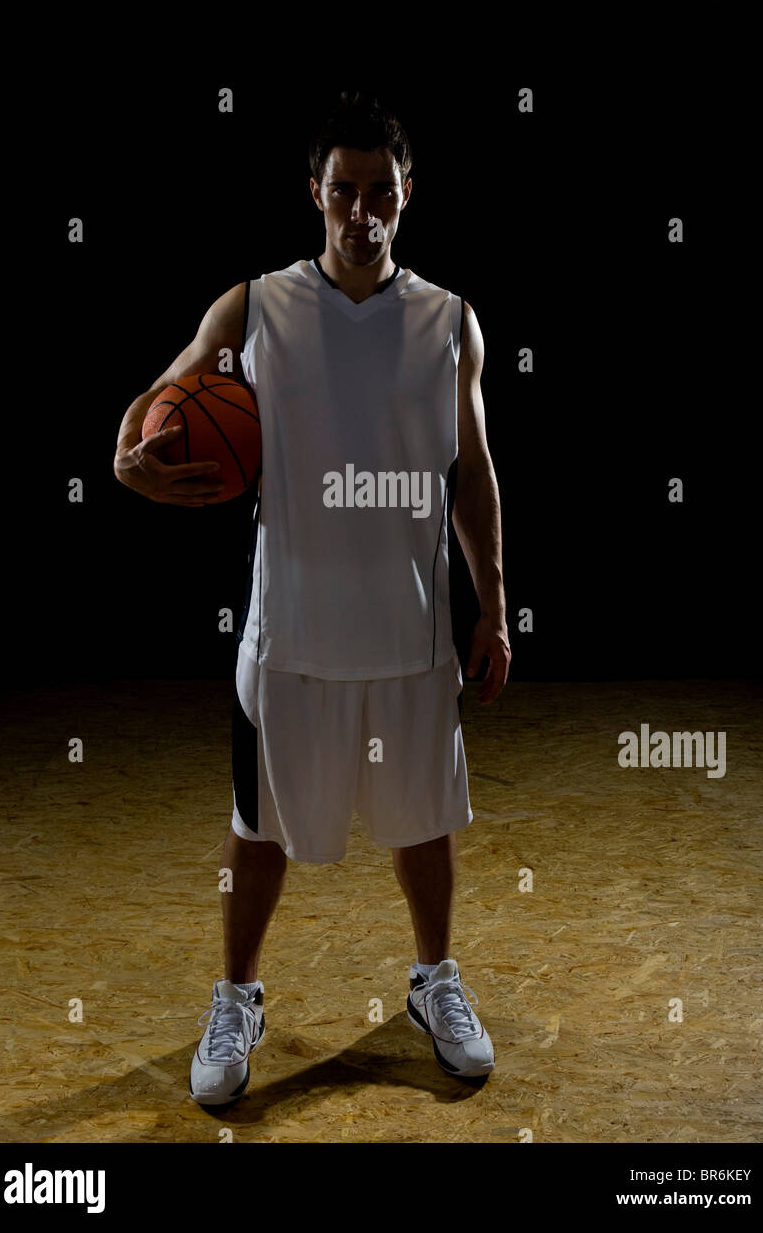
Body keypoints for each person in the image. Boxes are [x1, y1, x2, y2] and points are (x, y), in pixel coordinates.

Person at [113, 91, 511, 1104]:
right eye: (345, 190)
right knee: (260, 828)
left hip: (411, 633)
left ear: (406, 194)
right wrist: (130, 462)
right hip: (287, 635)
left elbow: (471, 471)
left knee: (425, 819)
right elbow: (160, 398)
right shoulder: (255, 306)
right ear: (316, 194)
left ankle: (434, 982)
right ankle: (238, 995)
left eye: (382, 191)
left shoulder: (448, 320)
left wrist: (493, 604)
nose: (362, 210)